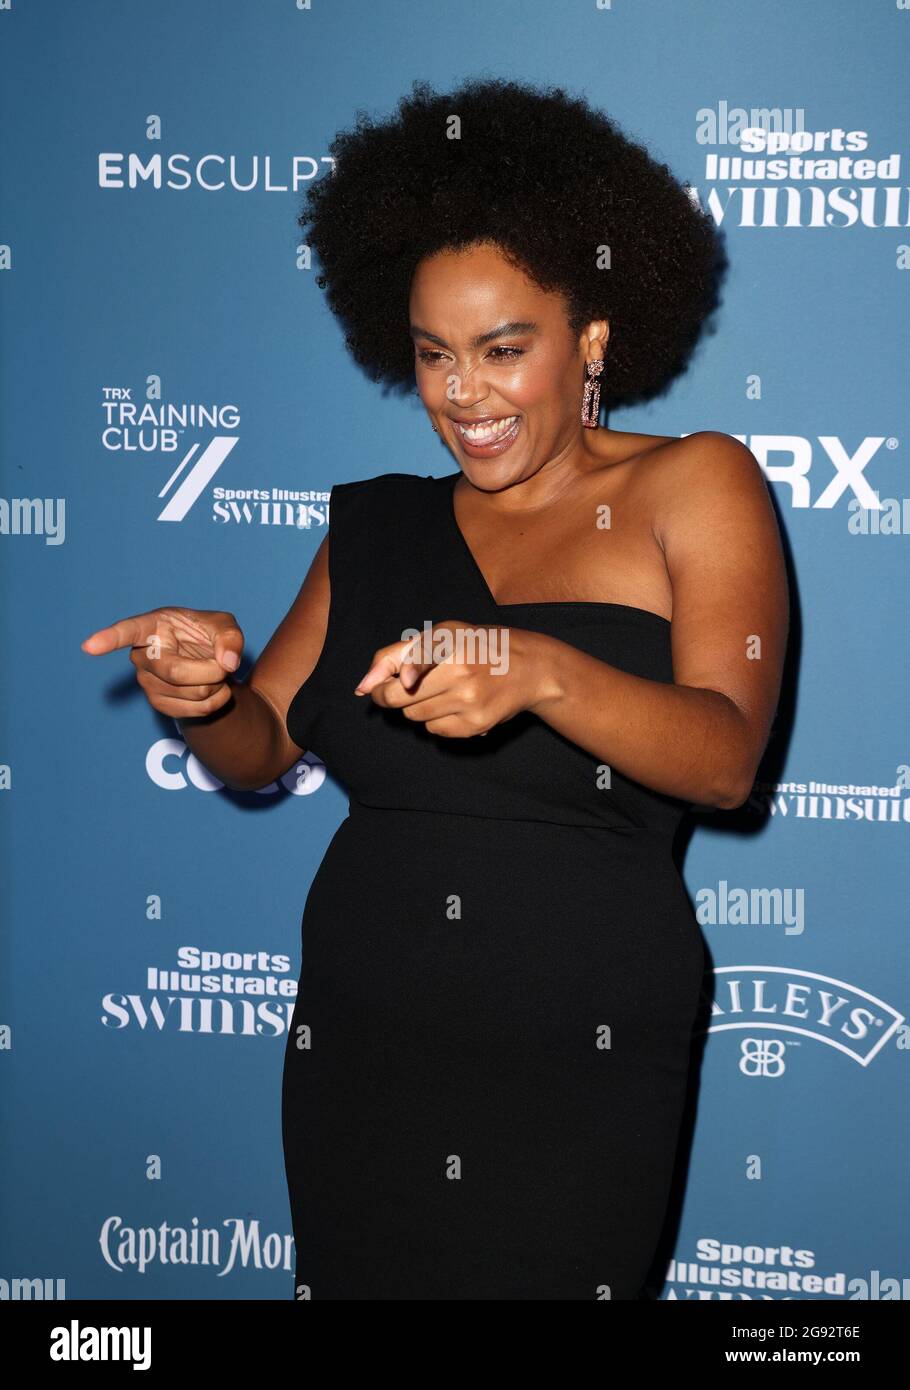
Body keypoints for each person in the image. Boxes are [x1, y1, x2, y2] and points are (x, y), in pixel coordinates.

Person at [82, 77, 788, 1300]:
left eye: (505, 350)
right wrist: (199, 697)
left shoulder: (696, 484)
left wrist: (538, 671)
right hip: (367, 1024)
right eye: (433, 355)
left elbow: (725, 758)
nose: (465, 394)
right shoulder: (377, 523)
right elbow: (262, 749)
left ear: (594, 338)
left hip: (582, 1035)